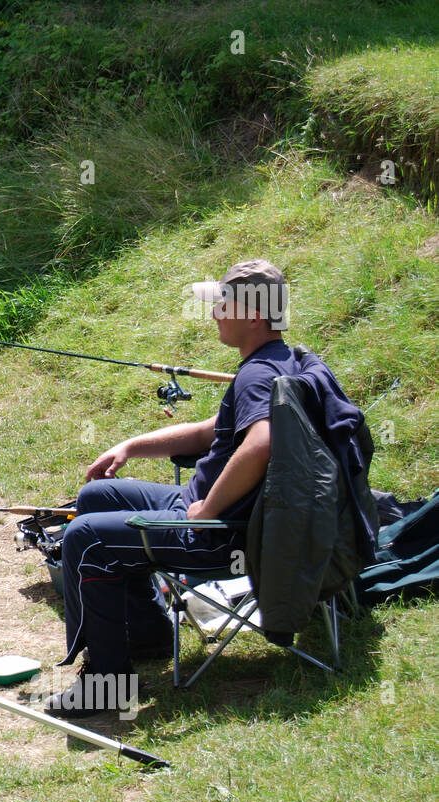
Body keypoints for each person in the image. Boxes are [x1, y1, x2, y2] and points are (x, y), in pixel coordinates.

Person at [44, 258, 321, 717]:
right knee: (95, 498)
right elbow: (210, 432)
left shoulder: (257, 376)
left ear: (252, 314)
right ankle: (151, 633)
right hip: (216, 510)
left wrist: (208, 507)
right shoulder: (279, 361)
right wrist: (130, 446)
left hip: (222, 530)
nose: (214, 313)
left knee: (84, 539)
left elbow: (263, 443)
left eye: (222, 305)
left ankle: (108, 684)